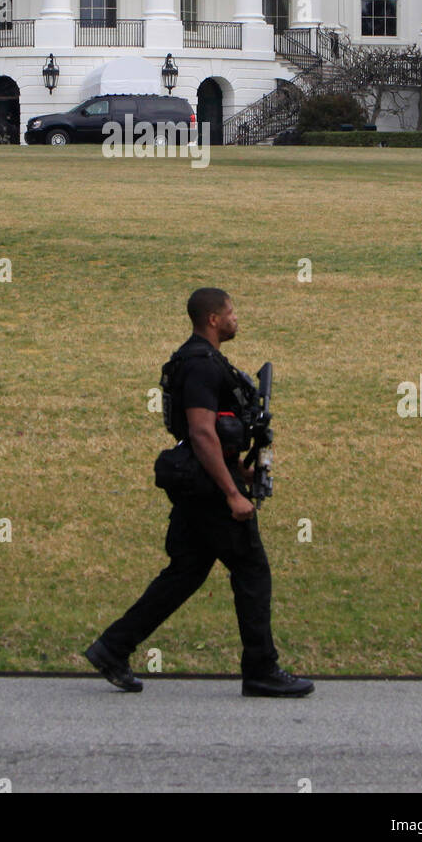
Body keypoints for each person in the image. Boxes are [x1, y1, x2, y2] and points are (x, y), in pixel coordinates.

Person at [84, 288, 315, 697]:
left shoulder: (195, 360)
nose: (236, 318)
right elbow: (201, 431)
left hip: (202, 477)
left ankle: (112, 647)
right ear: (213, 319)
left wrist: (238, 469)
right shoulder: (201, 366)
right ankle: (261, 669)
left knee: (185, 573)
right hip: (207, 487)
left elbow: (212, 434)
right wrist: (231, 492)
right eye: (231, 312)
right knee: (251, 570)